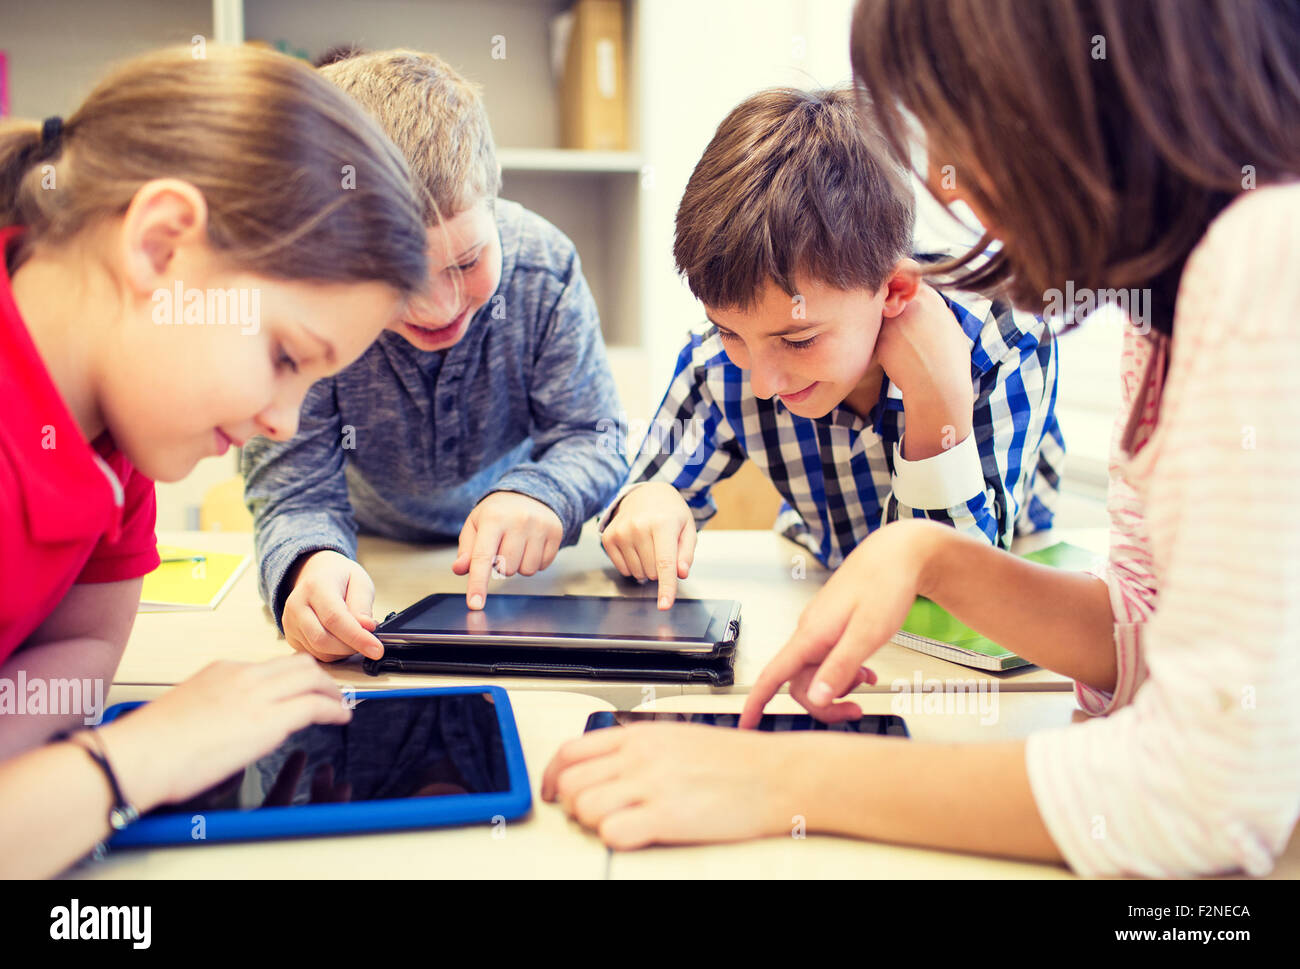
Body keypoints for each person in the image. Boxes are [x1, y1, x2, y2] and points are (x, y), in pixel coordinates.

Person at [543, 0, 1300, 877]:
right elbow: (1140, 634)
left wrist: (787, 776)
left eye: (955, 115)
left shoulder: (1263, 257)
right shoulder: (1164, 306)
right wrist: (930, 556)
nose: (942, 180)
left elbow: (1209, 796)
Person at [0, 44, 429, 878]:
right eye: (283, 356)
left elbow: (85, 644)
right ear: (161, 246)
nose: (284, 420)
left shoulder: (114, 429)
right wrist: (138, 756)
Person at [599, 87, 1062, 609]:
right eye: (728, 330)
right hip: (824, 578)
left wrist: (938, 398)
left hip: (1003, 601)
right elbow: (635, 502)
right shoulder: (718, 365)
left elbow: (955, 588)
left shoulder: (1004, 337)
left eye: (798, 339)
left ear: (894, 291)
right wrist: (649, 501)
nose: (763, 383)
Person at [242, 49, 627, 662]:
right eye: (399, 280)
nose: (439, 306)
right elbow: (296, 491)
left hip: (525, 574)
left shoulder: (545, 268)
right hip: (369, 559)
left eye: (468, 262)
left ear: (494, 198)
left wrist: (544, 492)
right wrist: (309, 565)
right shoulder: (310, 300)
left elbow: (595, 435)